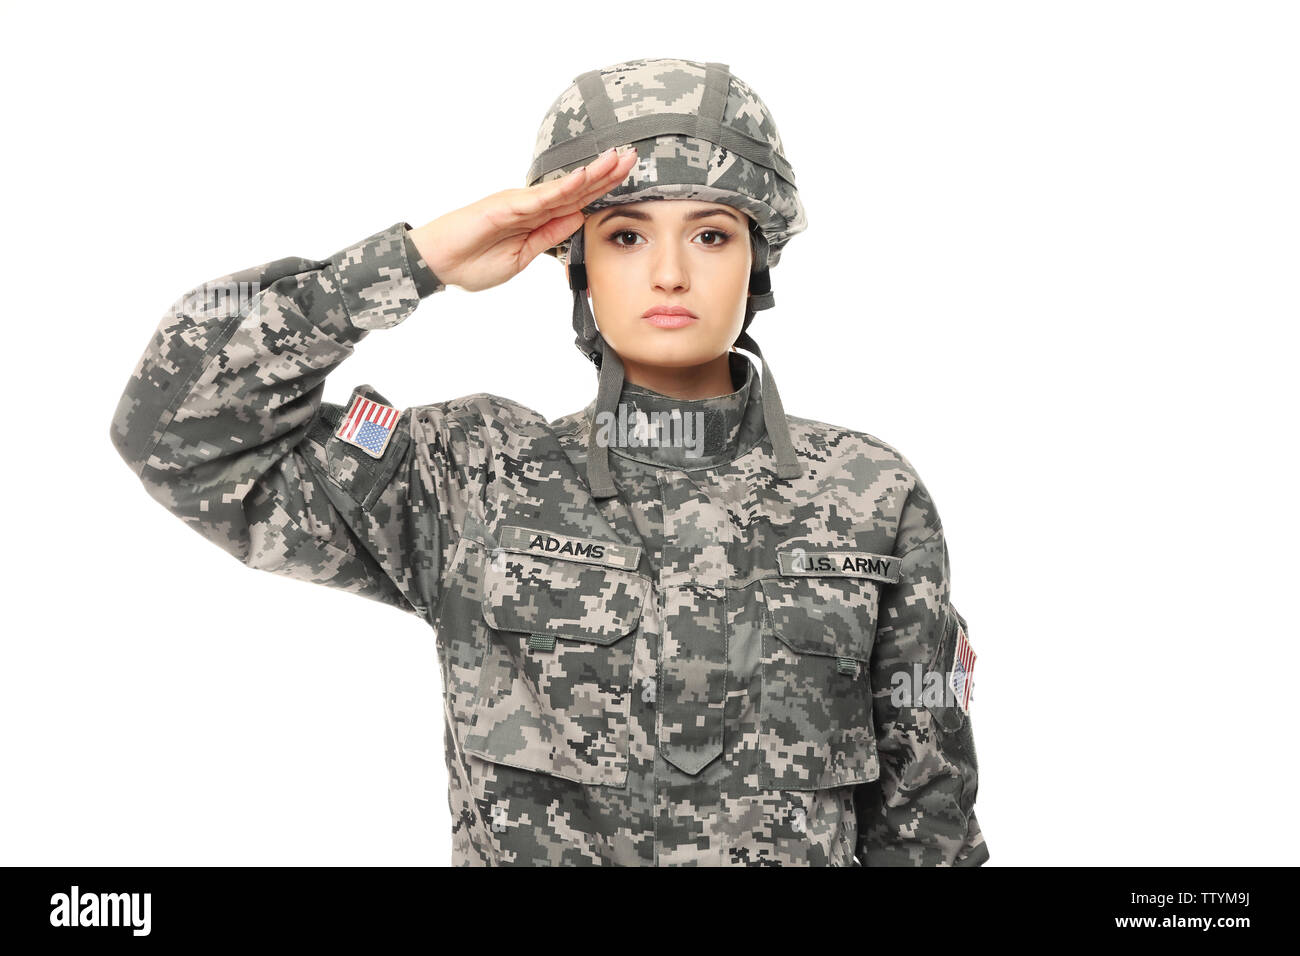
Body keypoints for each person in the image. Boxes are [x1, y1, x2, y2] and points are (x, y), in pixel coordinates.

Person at [109, 57, 988, 866]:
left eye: (712, 235)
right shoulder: (474, 475)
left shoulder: (869, 493)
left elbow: (929, 825)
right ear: (575, 264)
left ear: (758, 259)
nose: (671, 274)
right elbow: (173, 433)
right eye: (626, 236)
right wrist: (417, 261)